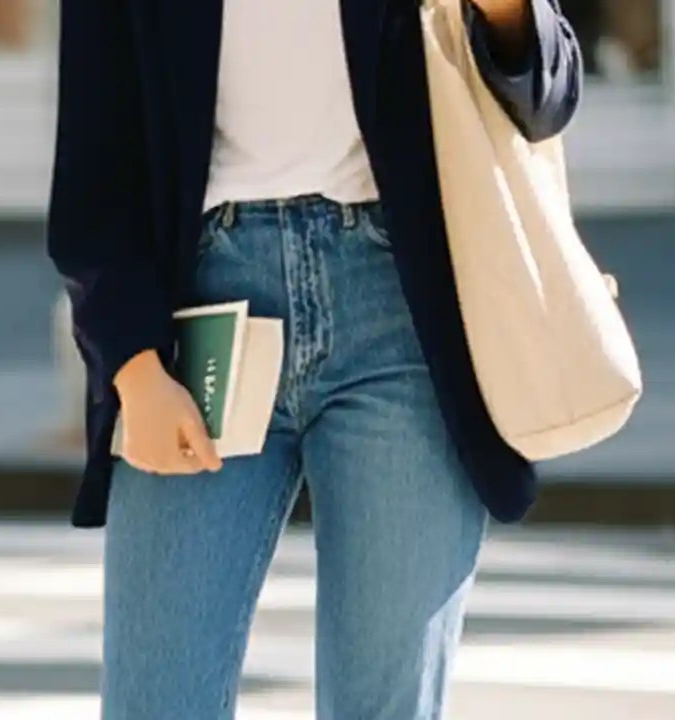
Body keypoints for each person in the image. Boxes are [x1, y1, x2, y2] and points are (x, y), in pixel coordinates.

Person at [47, 0, 581, 717]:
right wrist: (133, 365)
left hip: (403, 316)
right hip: (199, 318)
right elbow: (93, 155)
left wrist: (503, 11)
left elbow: (549, 92)